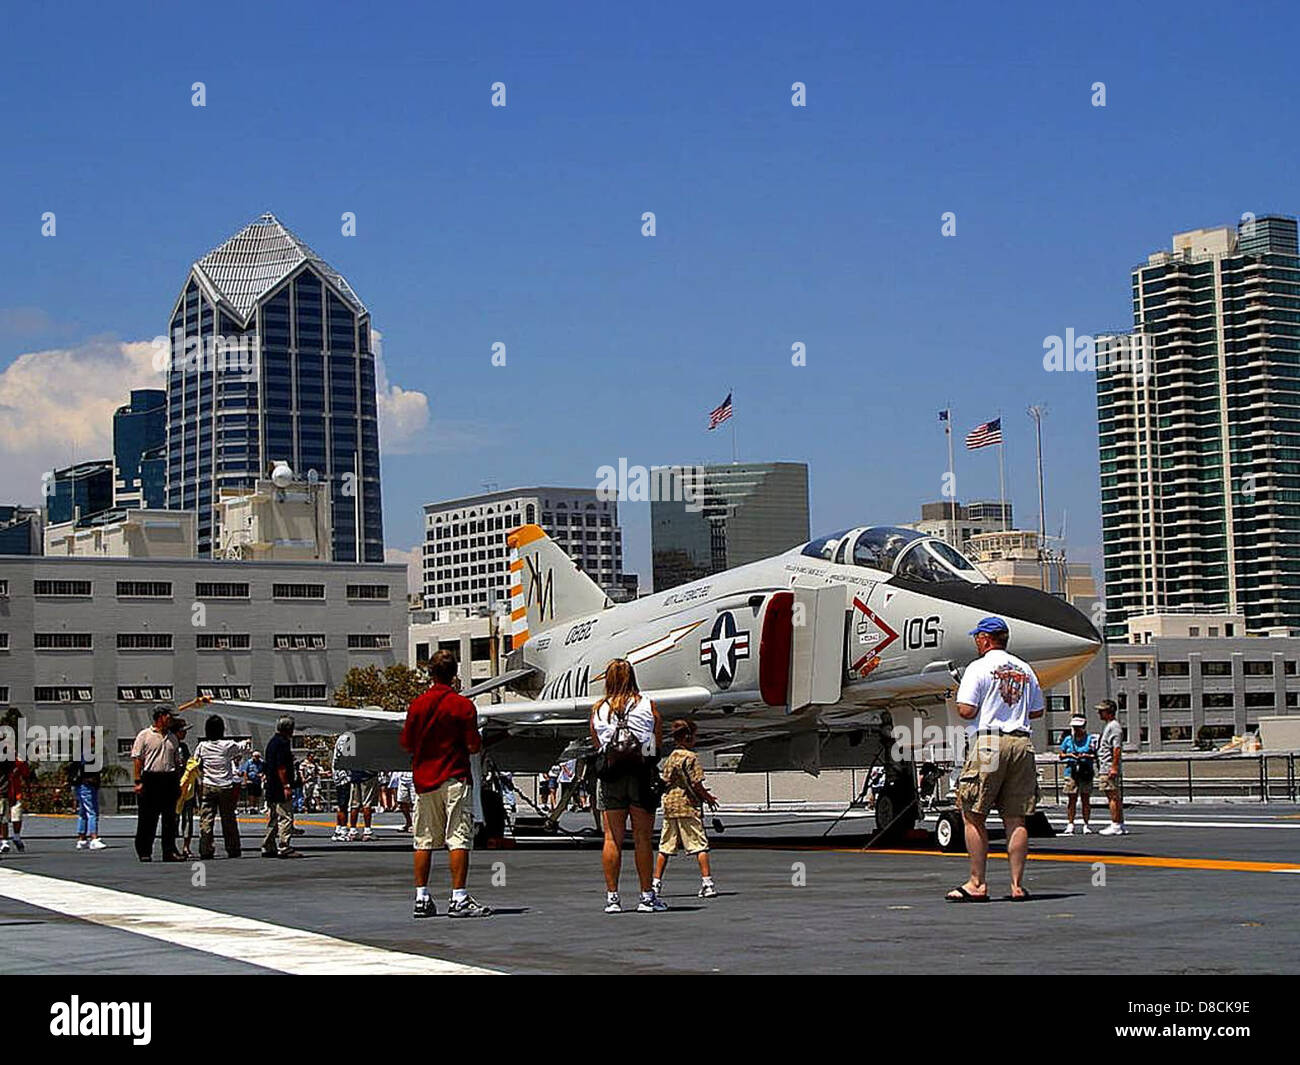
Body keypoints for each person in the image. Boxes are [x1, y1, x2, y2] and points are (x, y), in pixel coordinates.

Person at [946, 617, 1044, 902]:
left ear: (986, 639)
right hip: (1022, 743)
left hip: (989, 742)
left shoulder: (978, 668)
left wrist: (959, 696)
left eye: (977, 637)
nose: (976, 641)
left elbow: (966, 710)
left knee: (973, 815)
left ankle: (977, 883)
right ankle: (1016, 885)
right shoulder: (1025, 669)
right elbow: (1037, 711)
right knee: (1016, 818)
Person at [401, 649, 492, 918]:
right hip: (455, 777)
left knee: (423, 841)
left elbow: (407, 743)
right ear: (454, 674)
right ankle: (459, 897)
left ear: (430, 673)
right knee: (458, 839)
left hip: (424, 781)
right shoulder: (463, 706)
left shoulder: (417, 705)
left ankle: (421, 897)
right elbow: (474, 745)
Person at [590, 657, 665, 914]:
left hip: (611, 778)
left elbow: (598, 746)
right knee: (643, 838)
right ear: (633, 677)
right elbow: (655, 742)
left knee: (612, 838)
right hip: (641, 775)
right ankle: (646, 896)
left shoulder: (599, 709)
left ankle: (613, 897)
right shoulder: (647, 705)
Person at [652, 719, 719, 899]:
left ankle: (655, 884)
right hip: (688, 806)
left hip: (670, 805)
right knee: (700, 845)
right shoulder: (691, 757)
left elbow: (665, 781)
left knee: (665, 847)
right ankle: (707, 883)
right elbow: (696, 783)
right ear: (689, 737)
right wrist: (708, 798)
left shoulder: (671, 758)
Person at [131, 706, 185, 862]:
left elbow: (176, 761)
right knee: (148, 818)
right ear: (160, 717)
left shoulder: (173, 738)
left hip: (169, 779)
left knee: (170, 819)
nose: (170, 719)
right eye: (168, 716)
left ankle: (169, 851)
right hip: (151, 779)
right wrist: (138, 781)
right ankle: (144, 850)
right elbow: (137, 759)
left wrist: (178, 783)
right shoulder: (145, 735)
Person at [194, 714, 251, 859]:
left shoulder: (202, 746)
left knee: (206, 819)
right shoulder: (227, 745)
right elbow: (242, 748)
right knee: (228, 819)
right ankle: (233, 849)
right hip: (225, 786)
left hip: (207, 785)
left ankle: (205, 849)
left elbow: (196, 763)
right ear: (221, 730)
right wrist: (246, 741)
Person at [261, 716, 301, 858]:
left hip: (271, 785)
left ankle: (268, 845)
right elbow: (281, 767)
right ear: (288, 729)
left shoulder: (272, 742)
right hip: (280, 785)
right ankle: (284, 846)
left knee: (273, 817)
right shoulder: (283, 743)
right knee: (285, 817)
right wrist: (286, 785)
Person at [1059, 715, 1097, 834]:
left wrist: (1086, 756)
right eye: (1075, 727)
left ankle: (1086, 824)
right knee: (1071, 799)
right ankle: (1070, 823)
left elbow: (1096, 755)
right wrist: (1070, 755)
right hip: (1071, 771)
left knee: (1086, 799)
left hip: (1085, 771)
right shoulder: (1068, 739)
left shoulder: (1090, 739)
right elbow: (1061, 754)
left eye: (1078, 727)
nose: (1076, 729)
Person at [1095, 700, 1128, 836]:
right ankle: (1119, 823)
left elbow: (1116, 748)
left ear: (1109, 712)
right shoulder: (1110, 726)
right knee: (1114, 795)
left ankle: (1115, 823)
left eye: (1101, 711)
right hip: (1107, 765)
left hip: (1108, 766)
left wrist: (1113, 767)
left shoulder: (1114, 727)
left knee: (1112, 796)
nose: (1099, 713)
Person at [69, 743, 105, 850]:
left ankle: (82, 839)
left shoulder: (78, 755)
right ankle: (94, 838)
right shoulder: (87, 755)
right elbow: (89, 770)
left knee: (83, 813)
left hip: (80, 786)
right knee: (92, 812)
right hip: (87, 786)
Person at [173, 718, 197, 859]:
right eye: (183, 731)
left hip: (187, 787)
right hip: (174, 786)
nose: (185, 734)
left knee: (187, 818)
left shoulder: (184, 747)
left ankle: (186, 846)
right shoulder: (169, 745)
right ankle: (172, 844)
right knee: (173, 818)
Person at [6, 758, 32, 852]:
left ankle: (16, 836)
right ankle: (4, 840)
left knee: (17, 816)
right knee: (2, 817)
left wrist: (29, 791)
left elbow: (26, 776)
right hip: (3, 792)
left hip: (16, 793)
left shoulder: (20, 762)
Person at [347, 766, 379, 841]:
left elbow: (346, 755)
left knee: (354, 804)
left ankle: (353, 830)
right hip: (368, 774)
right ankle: (367, 831)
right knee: (367, 803)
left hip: (355, 774)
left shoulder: (352, 753)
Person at [331, 735, 352, 842]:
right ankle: (343, 830)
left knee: (341, 804)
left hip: (339, 775)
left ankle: (338, 828)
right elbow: (348, 757)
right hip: (344, 776)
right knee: (344, 805)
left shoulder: (342, 738)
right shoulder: (349, 738)